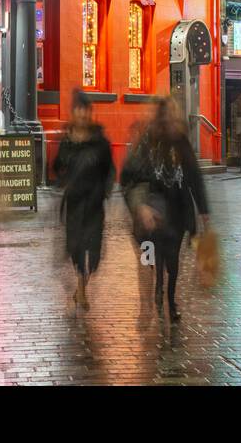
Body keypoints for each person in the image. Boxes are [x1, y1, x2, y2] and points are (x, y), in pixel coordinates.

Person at [120, 97, 209, 325]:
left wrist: (204, 212)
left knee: (173, 260)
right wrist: (140, 206)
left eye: (175, 113)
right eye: (168, 114)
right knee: (152, 257)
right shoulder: (149, 141)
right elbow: (129, 177)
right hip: (153, 211)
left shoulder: (181, 142)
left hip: (178, 212)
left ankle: (171, 300)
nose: (172, 118)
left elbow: (194, 177)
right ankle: (156, 290)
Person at [53, 90, 115, 311]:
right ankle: (81, 287)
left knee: (94, 252)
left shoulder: (100, 142)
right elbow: (57, 166)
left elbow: (110, 170)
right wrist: (63, 180)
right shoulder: (67, 141)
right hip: (75, 204)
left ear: (89, 113)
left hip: (95, 204)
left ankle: (83, 283)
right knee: (77, 247)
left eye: (84, 110)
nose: (80, 114)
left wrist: (106, 190)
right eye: (77, 109)